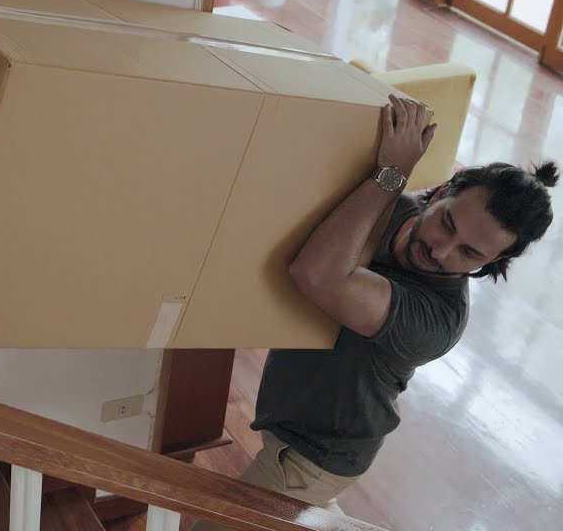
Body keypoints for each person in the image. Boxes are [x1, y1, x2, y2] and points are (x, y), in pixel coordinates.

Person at [191, 95, 557, 529]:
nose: (440, 250)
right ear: (440, 192)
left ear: (493, 262)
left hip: (316, 456)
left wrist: (392, 174)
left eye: (469, 253)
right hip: (288, 418)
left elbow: (318, 274)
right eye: (446, 223)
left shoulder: (436, 320)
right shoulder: (397, 207)